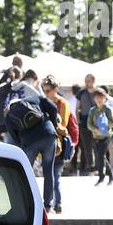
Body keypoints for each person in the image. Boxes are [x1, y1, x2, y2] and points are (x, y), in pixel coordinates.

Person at [4, 76, 60, 211]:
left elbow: (14, 136)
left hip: (29, 142)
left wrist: (23, 143)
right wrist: (52, 124)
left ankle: (28, 204)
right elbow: (52, 108)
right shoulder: (34, 99)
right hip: (48, 135)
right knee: (48, 171)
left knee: (26, 173)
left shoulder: (9, 115)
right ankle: (48, 205)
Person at [41, 77, 75, 213]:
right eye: (44, 90)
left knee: (55, 176)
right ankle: (51, 203)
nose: (45, 93)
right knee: (49, 176)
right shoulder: (44, 101)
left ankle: (57, 203)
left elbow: (63, 123)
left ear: (55, 89)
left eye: (48, 90)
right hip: (46, 144)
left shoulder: (62, 103)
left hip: (58, 144)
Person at [88, 87, 113, 185]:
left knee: (101, 155)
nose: (99, 99)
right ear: (94, 99)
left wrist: (104, 125)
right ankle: (111, 175)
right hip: (96, 136)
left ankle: (101, 177)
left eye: (101, 97)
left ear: (105, 98)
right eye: (97, 97)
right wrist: (95, 129)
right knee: (100, 157)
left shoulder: (108, 109)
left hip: (106, 136)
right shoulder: (92, 110)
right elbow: (89, 124)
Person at [76, 74, 98, 175]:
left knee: (97, 145)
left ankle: (99, 166)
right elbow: (77, 107)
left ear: (93, 80)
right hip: (84, 121)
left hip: (96, 121)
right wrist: (78, 120)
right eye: (85, 80)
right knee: (87, 146)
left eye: (88, 80)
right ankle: (91, 167)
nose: (86, 83)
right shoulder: (81, 92)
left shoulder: (99, 92)